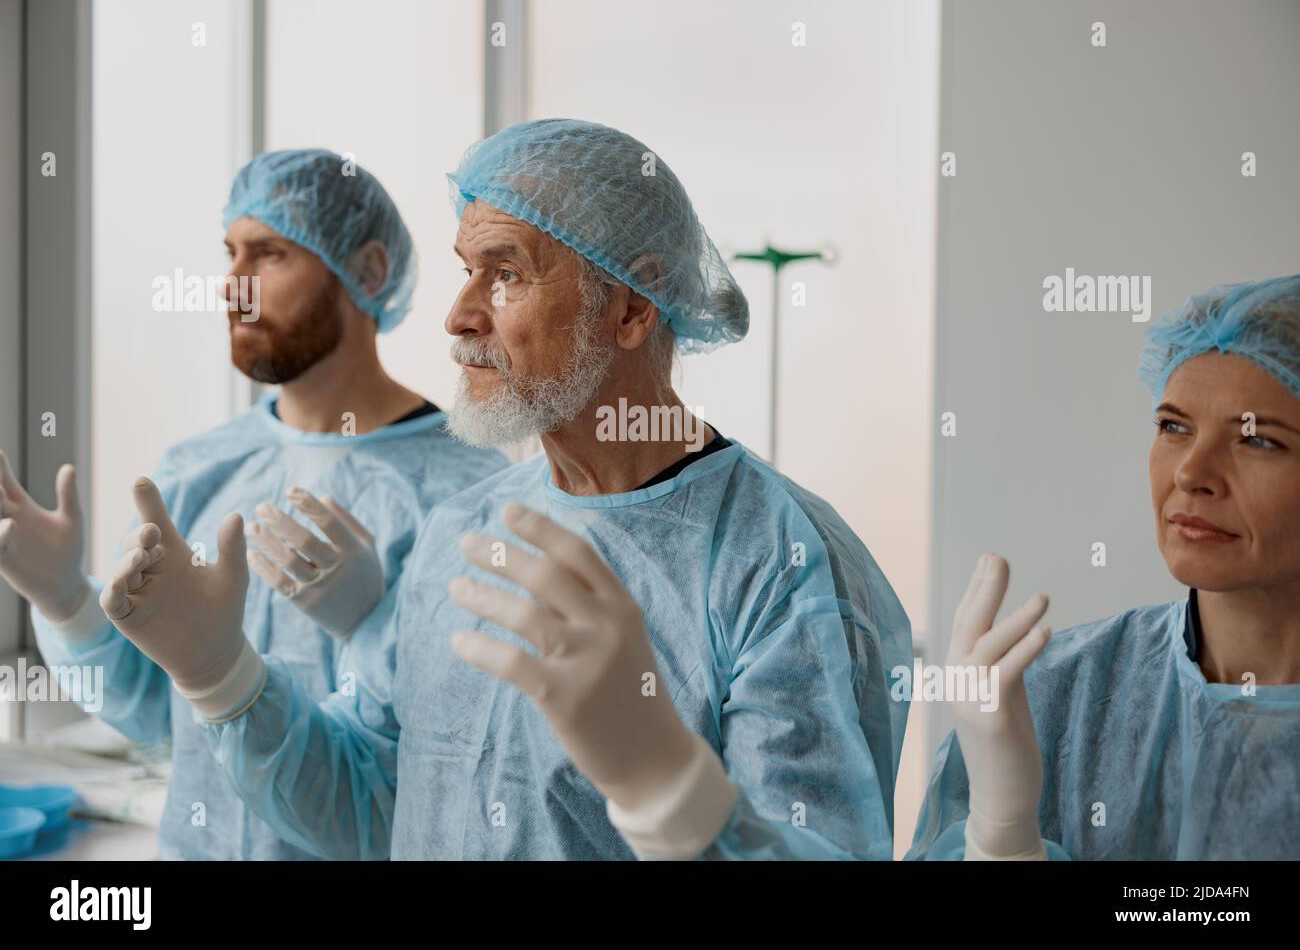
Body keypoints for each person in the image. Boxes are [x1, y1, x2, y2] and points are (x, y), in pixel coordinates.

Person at [99, 119, 914, 860]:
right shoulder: (465, 531)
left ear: (631, 306)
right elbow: (374, 812)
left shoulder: (784, 565)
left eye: (506, 274)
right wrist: (220, 675)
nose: (456, 316)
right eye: (464, 272)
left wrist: (665, 792)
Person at [0, 149, 507, 860]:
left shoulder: (466, 495)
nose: (232, 288)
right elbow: (153, 714)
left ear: (366, 273)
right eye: (229, 254)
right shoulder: (198, 469)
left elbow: (424, 790)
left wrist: (374, 623)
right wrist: (64, 603)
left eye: (268, 255)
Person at [909, 273, 1300, 860]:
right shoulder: (1053, 695)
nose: (1192, 472)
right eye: (1173, 426)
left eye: (1256, 440)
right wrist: (1002, 837)